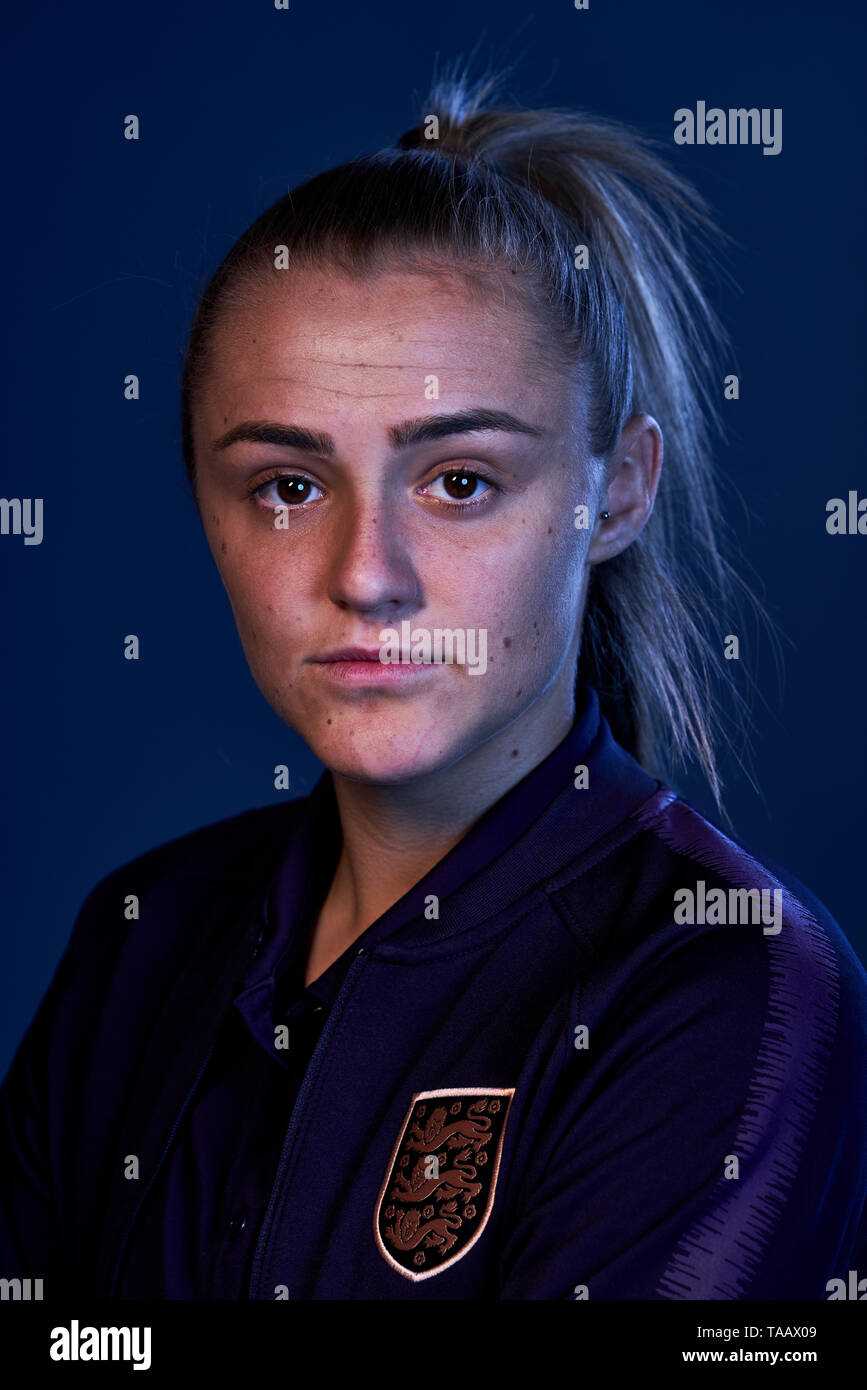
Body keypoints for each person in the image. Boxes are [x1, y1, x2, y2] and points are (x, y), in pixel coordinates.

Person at [1, 66, 866, 1302]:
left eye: (460, 480)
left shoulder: (734, 983)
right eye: (288, 486)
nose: (367, 577)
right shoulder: (142, 935)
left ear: (616, 489)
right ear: (204, 503)